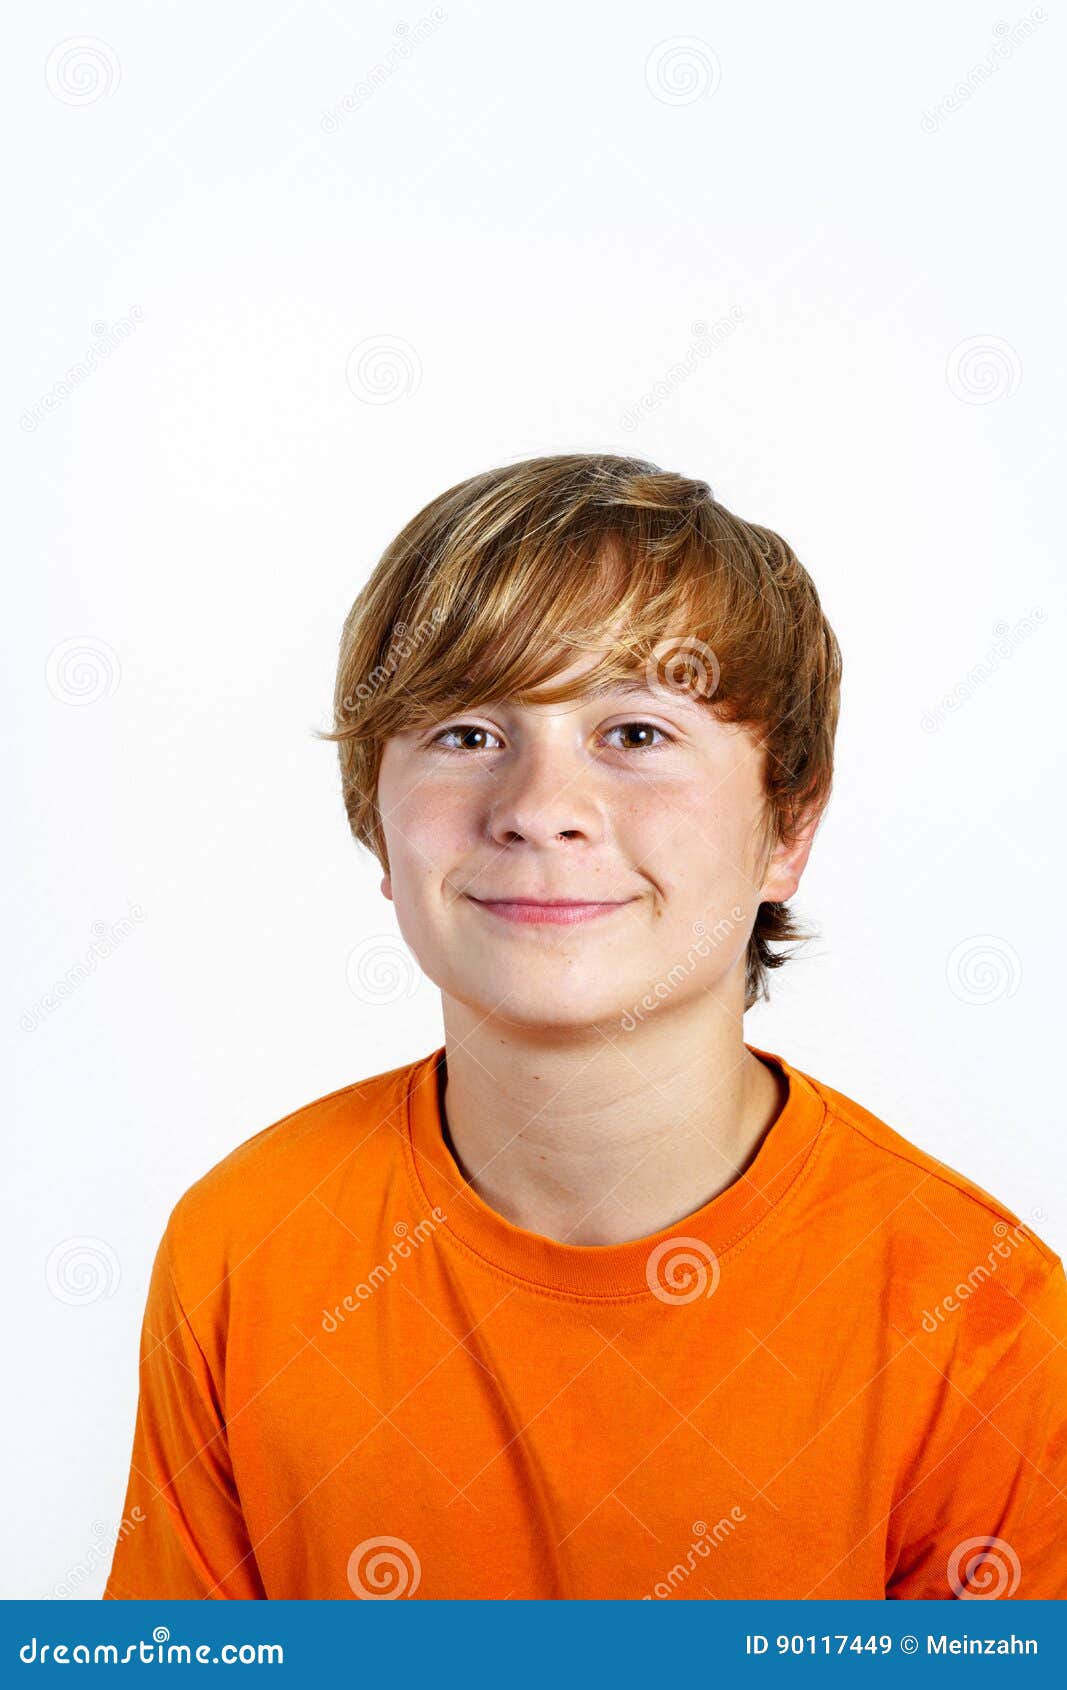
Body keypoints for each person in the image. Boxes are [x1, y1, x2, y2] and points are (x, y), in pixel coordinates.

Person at [104, 454, 1067, 1600]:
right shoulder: (243, 1250)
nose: (539, 809)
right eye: (465, 733)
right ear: (376, 818)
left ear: (785, 830)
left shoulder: (978, 1311)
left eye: (637, 734)